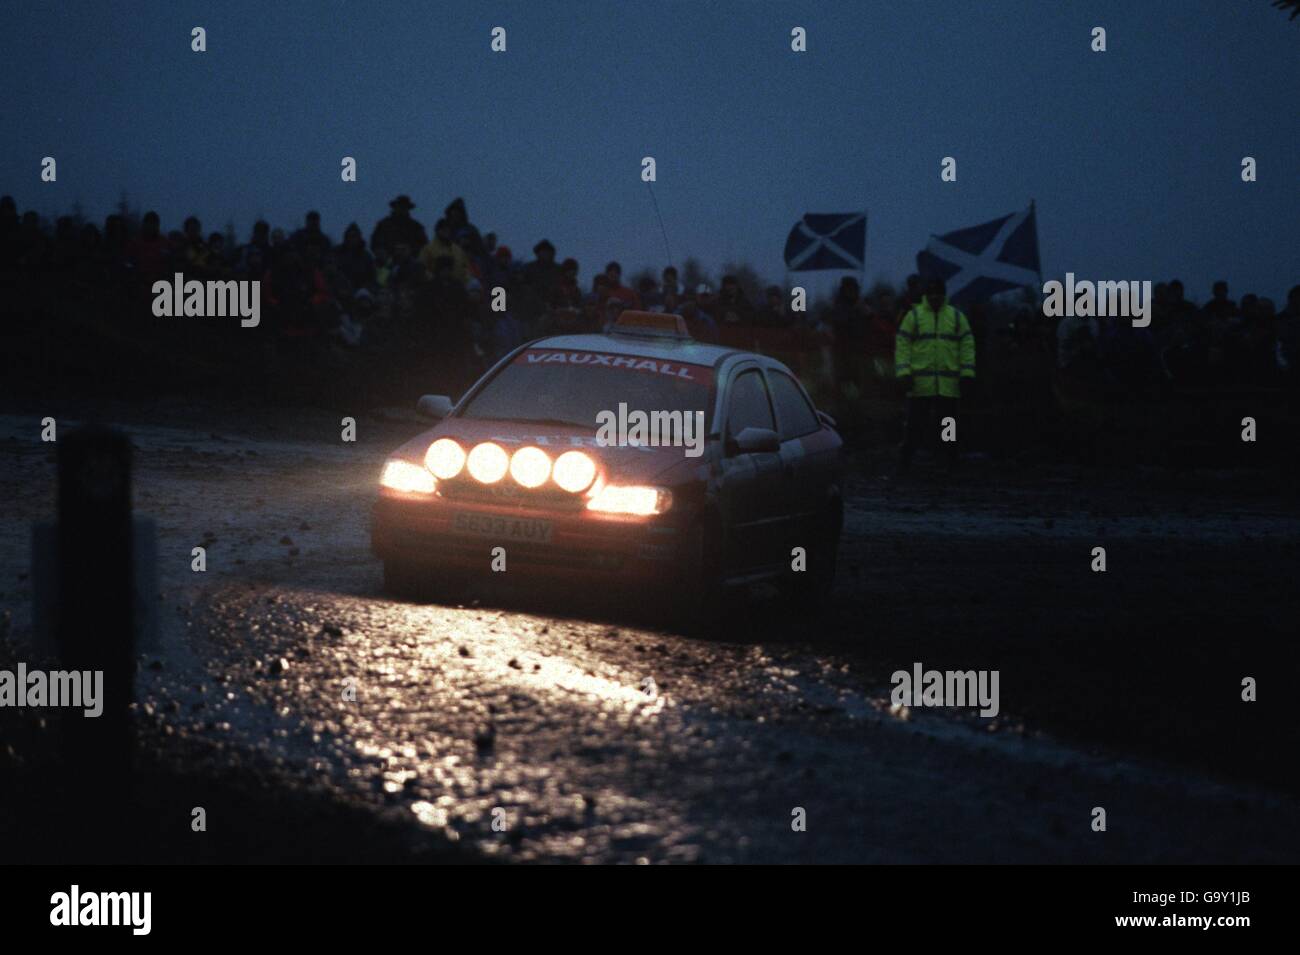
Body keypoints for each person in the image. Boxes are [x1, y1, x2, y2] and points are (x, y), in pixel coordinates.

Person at [895, 277, 975, 473]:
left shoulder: (956, 317)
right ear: (926, 295)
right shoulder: (914, 316)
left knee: (949, 427)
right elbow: (902, 345)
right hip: (920, 385)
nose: (934, 296)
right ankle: (905, 463)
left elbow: (967, 346)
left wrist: (967, 373)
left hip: (949, 385)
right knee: (915, 426)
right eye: (931, 293)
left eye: (938, 293)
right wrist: (904, 373)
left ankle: (951, 461)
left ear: (944, 294)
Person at [370, 195, 428, 261]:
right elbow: (375, 244)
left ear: (408, 209)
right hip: (387, 263)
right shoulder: (383, 225)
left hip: (410, 263)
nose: (402, 209)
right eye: (400, 206)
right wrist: (385, 255)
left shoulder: (416, 227)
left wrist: (410, 251)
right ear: (395, 207)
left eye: (405, 207)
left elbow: (424, 246)